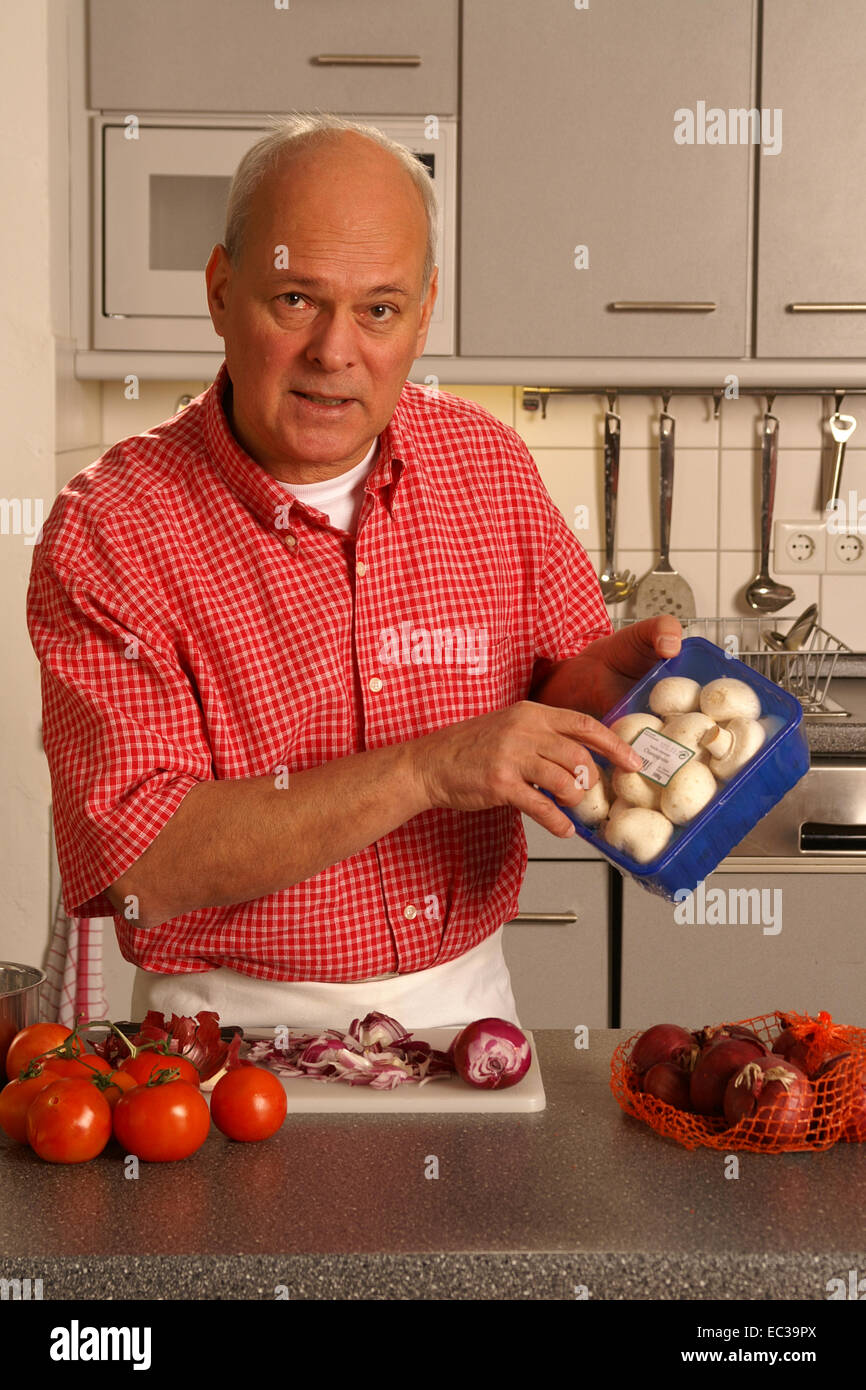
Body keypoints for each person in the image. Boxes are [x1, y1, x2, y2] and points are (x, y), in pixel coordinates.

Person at [27, 113, 681, 1031]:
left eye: (379, 308)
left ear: (424, 312)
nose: (336, 352)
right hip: (225, 1040)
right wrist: (426, 769)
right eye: (297, 299)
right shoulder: (112, 527)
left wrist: (589, 688)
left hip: (469, 1014)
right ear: (221, 291)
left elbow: (544, 690)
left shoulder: (487, 464)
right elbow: (138, 861)